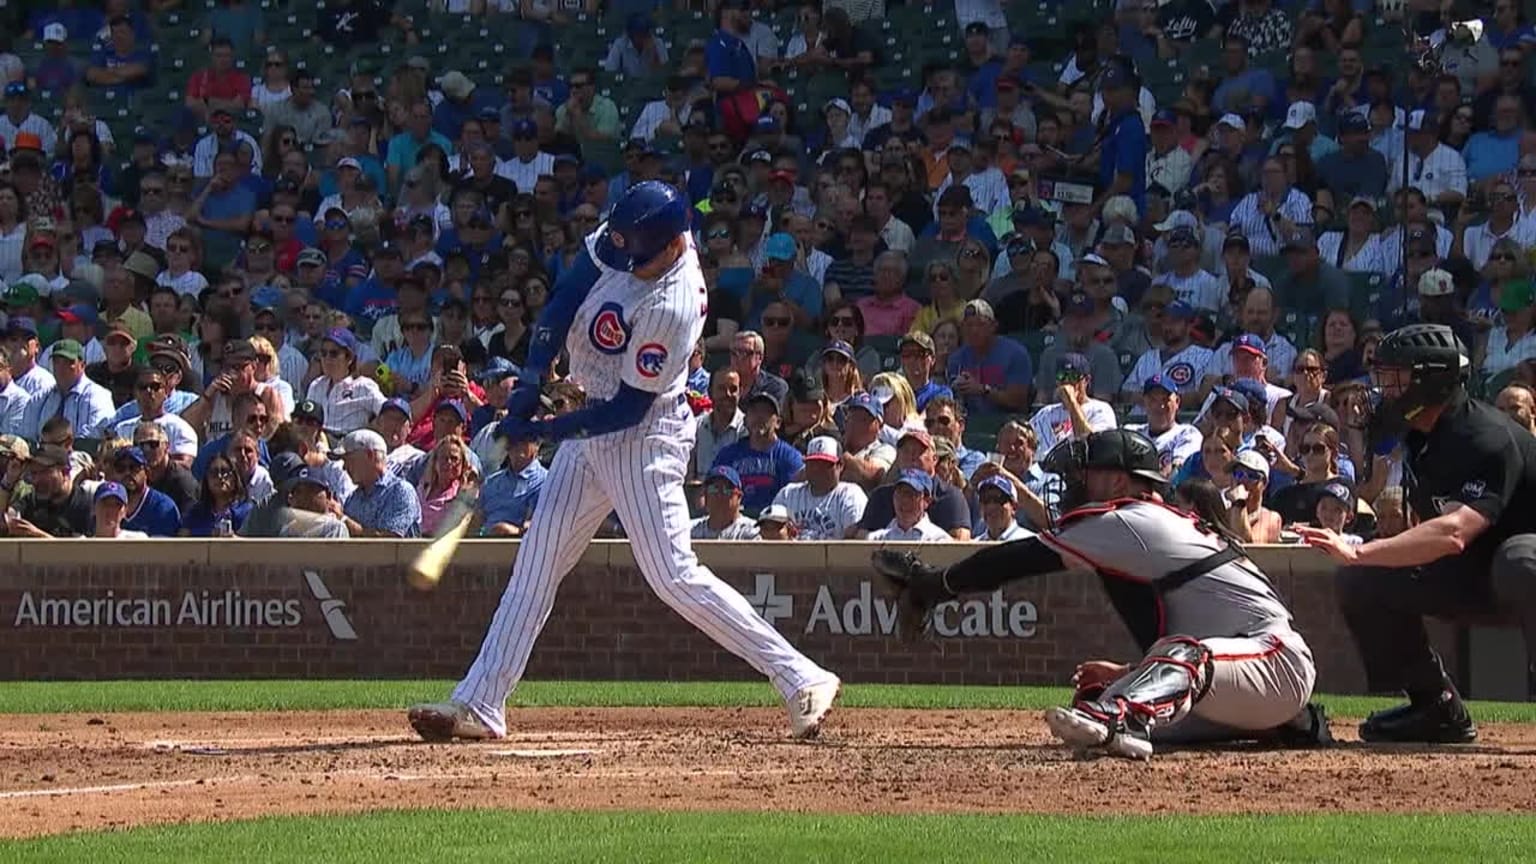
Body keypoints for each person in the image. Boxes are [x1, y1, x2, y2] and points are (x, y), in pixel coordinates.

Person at [408, 182, 840, 742]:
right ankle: (481, 703)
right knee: (537, 563)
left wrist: (543, 428)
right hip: (592, 418)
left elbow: (627, 409)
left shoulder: (675, 301)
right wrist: (534, 376)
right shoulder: (629, 232)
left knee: (671, 576)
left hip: (645, 434)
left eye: (638, 256)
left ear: (668, 249)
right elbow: (567, 295)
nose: (625, 261)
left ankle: (801, 677)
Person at [872, 428, 1325, 761]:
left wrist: (932, 584)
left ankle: (1124, 717)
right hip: (1238, 673)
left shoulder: (1134, 518)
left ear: (1121, 482)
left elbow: (1020, 560)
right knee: (1093, 695)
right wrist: (1134, 670)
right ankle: (1285, 725)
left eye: (1086, 473)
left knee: (1164, 670)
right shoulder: (1138, 527)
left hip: (1276, 659)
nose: (1074, 483)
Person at [1299, 323, 1536, 743]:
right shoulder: (1421, 435)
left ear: (1431, 381)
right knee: (1363, 580)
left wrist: (1358, 550)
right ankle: (1436, 707)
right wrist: (1362, 560)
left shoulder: (1487, 437)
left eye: (1396, 378)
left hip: (1520, 570)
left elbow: (1453, 533)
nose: (1384, 389)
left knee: (1519, 560)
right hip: (1480, 574)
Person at [768, 435, 867, 541]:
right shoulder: (788, 494)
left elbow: (853, 543)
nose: (817, 469)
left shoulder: (851, 495)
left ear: (840, 465)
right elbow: (769, 531)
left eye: (825, 464)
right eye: (812, 463)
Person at [334, 428, 421, 538]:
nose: (344, 467)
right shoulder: (353, 498)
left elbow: (388, 542)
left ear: (370, 455)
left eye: (349, 460)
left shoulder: (400, 491)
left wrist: (343, 520)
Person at [867, 469, 952, 542]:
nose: (905, 500)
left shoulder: (939, 540)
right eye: (900, 493)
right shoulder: (875, 540)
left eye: (912, 494)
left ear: (927, 501)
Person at [690, 465, 760, 540]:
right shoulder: (690, 530)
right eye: (713, 489)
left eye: (727, 490)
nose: (719, 495)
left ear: (739, 497)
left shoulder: (752, 530)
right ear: (705, 495)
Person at [974, 475, 1032, 541]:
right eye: (985, 499)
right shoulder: (973, 545)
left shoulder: (1029, 542)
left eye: (999, 499)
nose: (991, 506)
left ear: (1014, 507)